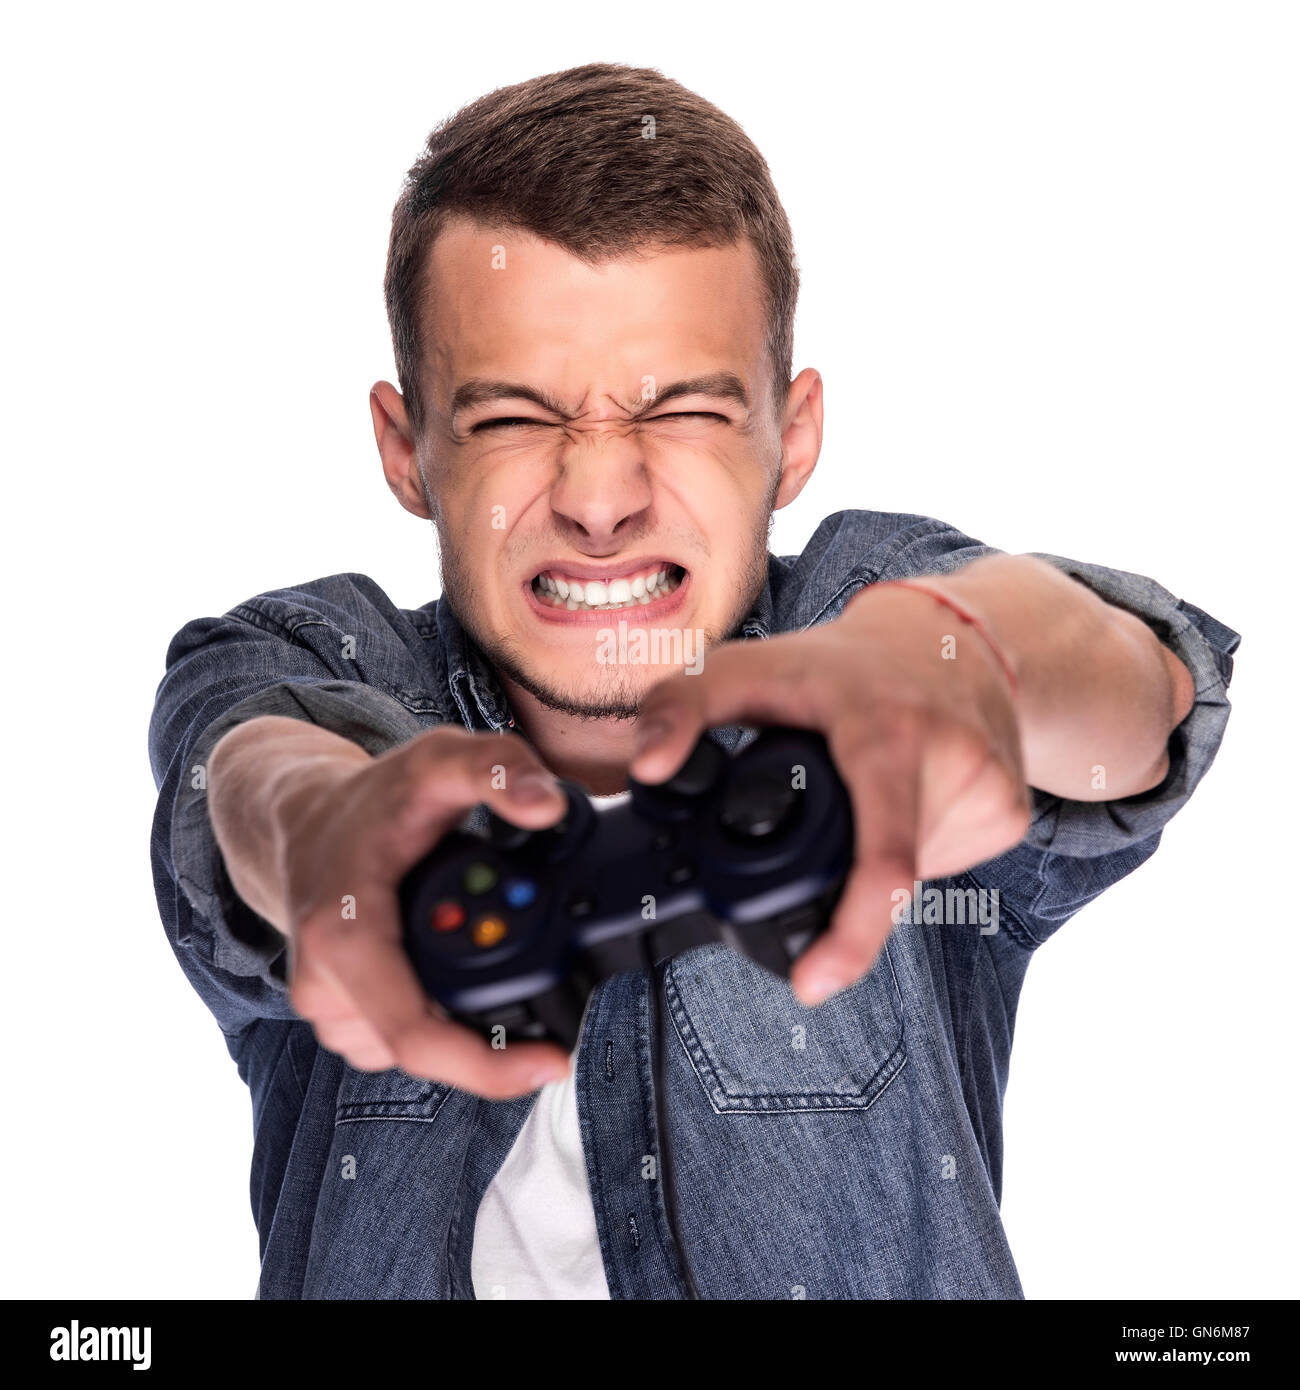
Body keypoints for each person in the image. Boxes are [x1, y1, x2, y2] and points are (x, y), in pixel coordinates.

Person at [147, 62, 1238, 1300]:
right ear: (408, 451)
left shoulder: (858, 606)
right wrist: (329, 833)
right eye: (510, 418)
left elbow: (1138, 689)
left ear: (794, 430)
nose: (599, 502)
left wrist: (967, 668)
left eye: (680, 412)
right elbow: (241, 763)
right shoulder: (321, 660)